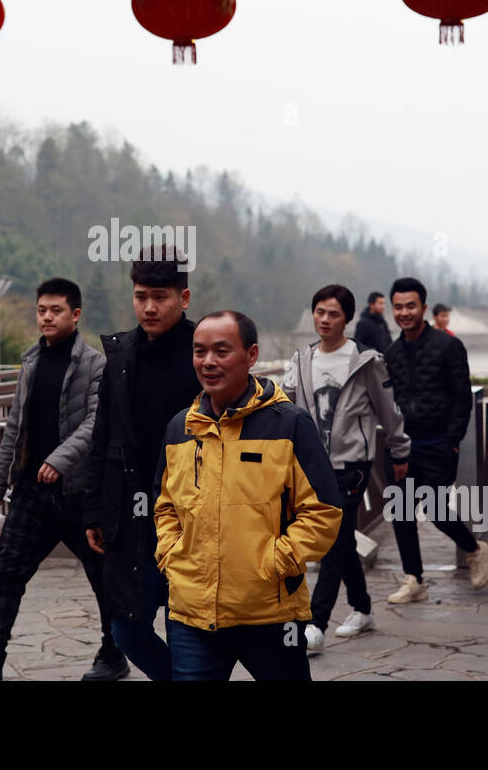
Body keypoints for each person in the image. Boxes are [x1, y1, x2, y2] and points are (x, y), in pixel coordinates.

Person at [0, 278, 126, 682]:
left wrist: (60, 459)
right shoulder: (30, 363)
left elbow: (98, 421)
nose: (46, 316)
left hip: (80, 493)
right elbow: (14, 428)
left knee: (103, 579)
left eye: (55, 310)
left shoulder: (96, 364)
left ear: (75, 315)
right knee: (6, 576)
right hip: (31, 492)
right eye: (41, 310)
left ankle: (113, 655)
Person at [156, 311, 341, 681]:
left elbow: (323, 511)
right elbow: (165, 507)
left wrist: (276, 564)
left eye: (222, 351)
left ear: (251, 355)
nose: (208, 362)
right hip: (192, 615)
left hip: (270, 616)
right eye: (199, 352)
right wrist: (171, 555)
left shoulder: (289, 424)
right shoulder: (181, 427)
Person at [82, 248, 200, 680]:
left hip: (190, 513)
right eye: (140, 296)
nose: (149, 306)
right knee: (126, 627)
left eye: (160, 296)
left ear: (183, 298)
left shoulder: (201, 353)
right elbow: (102, 436)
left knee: (182, 624)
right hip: (131, 515)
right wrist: (93, 509)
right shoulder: (121, 356)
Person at [286, 285, 409, 651]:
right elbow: (287, 406)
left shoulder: (366, 361)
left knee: (333, 537)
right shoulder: (301, 359)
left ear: (348, 318)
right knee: (340, 538)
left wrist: (401, 451)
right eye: (320, 312)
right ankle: (363, 607)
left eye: (334, 314)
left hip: (351, 463)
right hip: (311, 464)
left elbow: (389, 410)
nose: (325, 320)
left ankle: (315, 622)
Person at [382, 278, 488, 602]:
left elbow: (461, 398)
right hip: (404, 446)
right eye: (398, 307)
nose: (404, 312)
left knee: (434, 507)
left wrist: (452, 440)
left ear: (424, 308)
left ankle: (473, 548)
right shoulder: (392, 352)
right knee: (401, 512)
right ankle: (414, 579)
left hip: (439, 443)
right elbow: (390, 403)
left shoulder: (447, 345)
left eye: (410, 306)